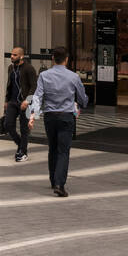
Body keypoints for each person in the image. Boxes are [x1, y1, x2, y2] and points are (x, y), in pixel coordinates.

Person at [22, 46, 87, 197]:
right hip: (66, 117)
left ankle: (53, 180)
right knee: (63, 151)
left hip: (50, 116)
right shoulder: (74, 77)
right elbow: (83, 98)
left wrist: (32, 116)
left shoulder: (44, 75)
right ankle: (59, 184)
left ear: (52, 59)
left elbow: (37, 97)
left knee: (53, 148)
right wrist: (81, 103)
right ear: (67, 59)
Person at [4, 47, 37, 161]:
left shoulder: (29, 68)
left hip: (25, 103)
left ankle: (23, 152)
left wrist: (27, 101)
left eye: (15, 55)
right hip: (13, 102)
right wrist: (6, 100)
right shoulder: (10, 68)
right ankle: (21, 145)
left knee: (24, 129)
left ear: (21, 56)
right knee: (7, 124)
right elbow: (10, 85)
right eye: (11, 54)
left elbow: (34, 86)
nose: (12, 56)